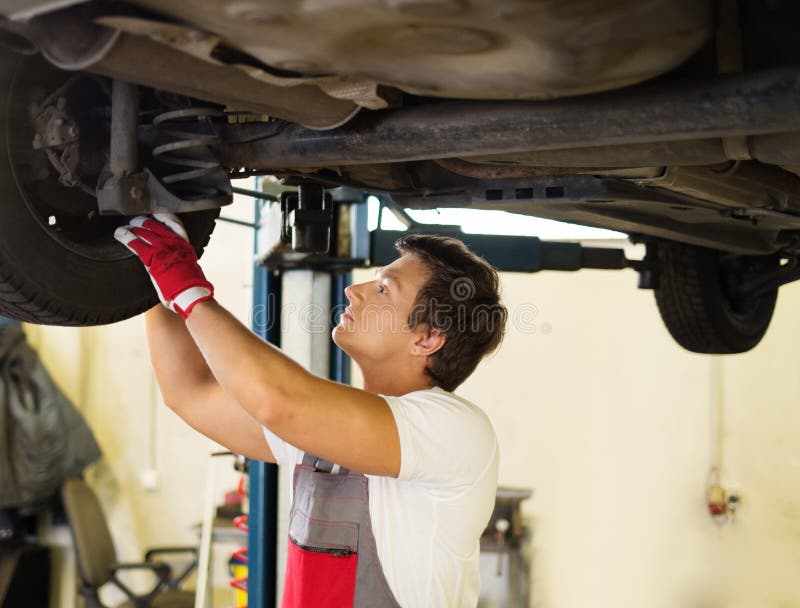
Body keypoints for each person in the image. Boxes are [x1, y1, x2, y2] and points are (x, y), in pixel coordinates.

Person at [114, 213, 508, 607]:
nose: (355, 290)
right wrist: (152, 279)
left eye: (384, 290)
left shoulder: (454, 429)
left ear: (428, 338)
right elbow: (190, 391)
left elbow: (278, 402)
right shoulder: (328, 435)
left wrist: (187, 289)